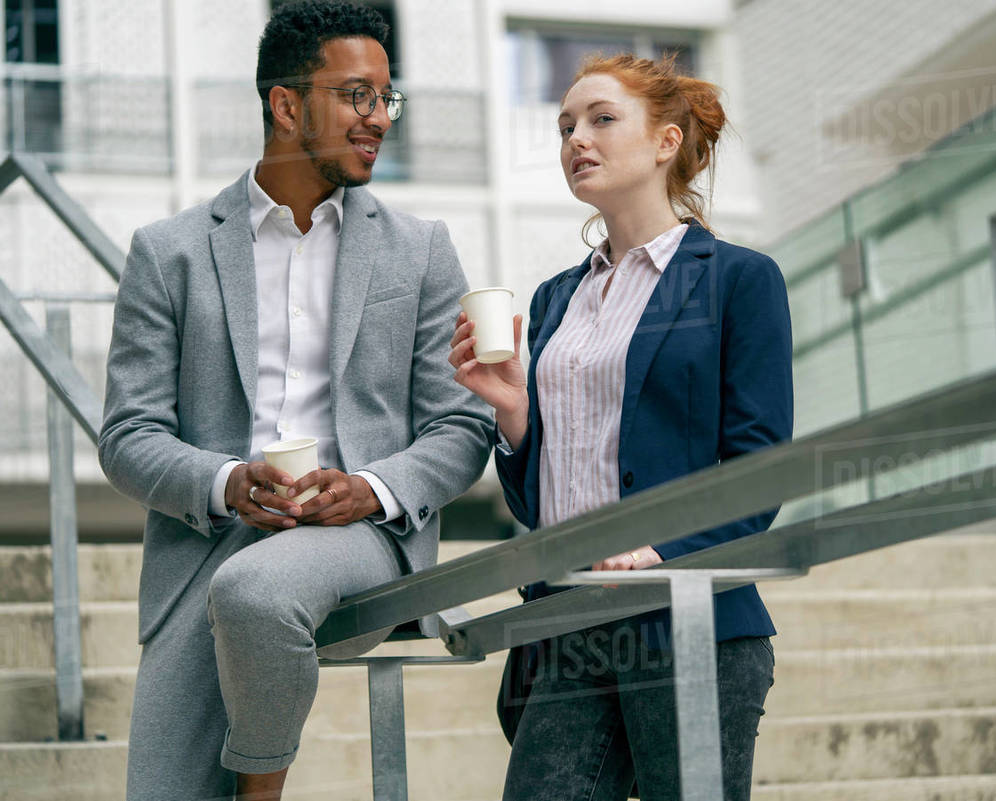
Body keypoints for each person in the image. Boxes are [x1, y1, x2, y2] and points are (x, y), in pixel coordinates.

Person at [97, 3, 492, 799]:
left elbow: (461, 424)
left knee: (257, 591)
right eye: (356, 96)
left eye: (387, 99)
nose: (379, 119)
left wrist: (371, 489)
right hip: (206, 540)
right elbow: (129, 433)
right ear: (285, 105)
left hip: (363, 534)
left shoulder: (420, 250)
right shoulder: (169, 252)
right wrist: (225, 482)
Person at [449, 53, 793, 800]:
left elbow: (762, 468)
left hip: (687, 617)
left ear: (667, 142)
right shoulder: (553, 300)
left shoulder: (738, 280)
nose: (577, 138)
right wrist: (512, 415)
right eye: (567, 125)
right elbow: (543, 498)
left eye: (602, 119)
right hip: (568, 625)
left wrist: (663, 549)